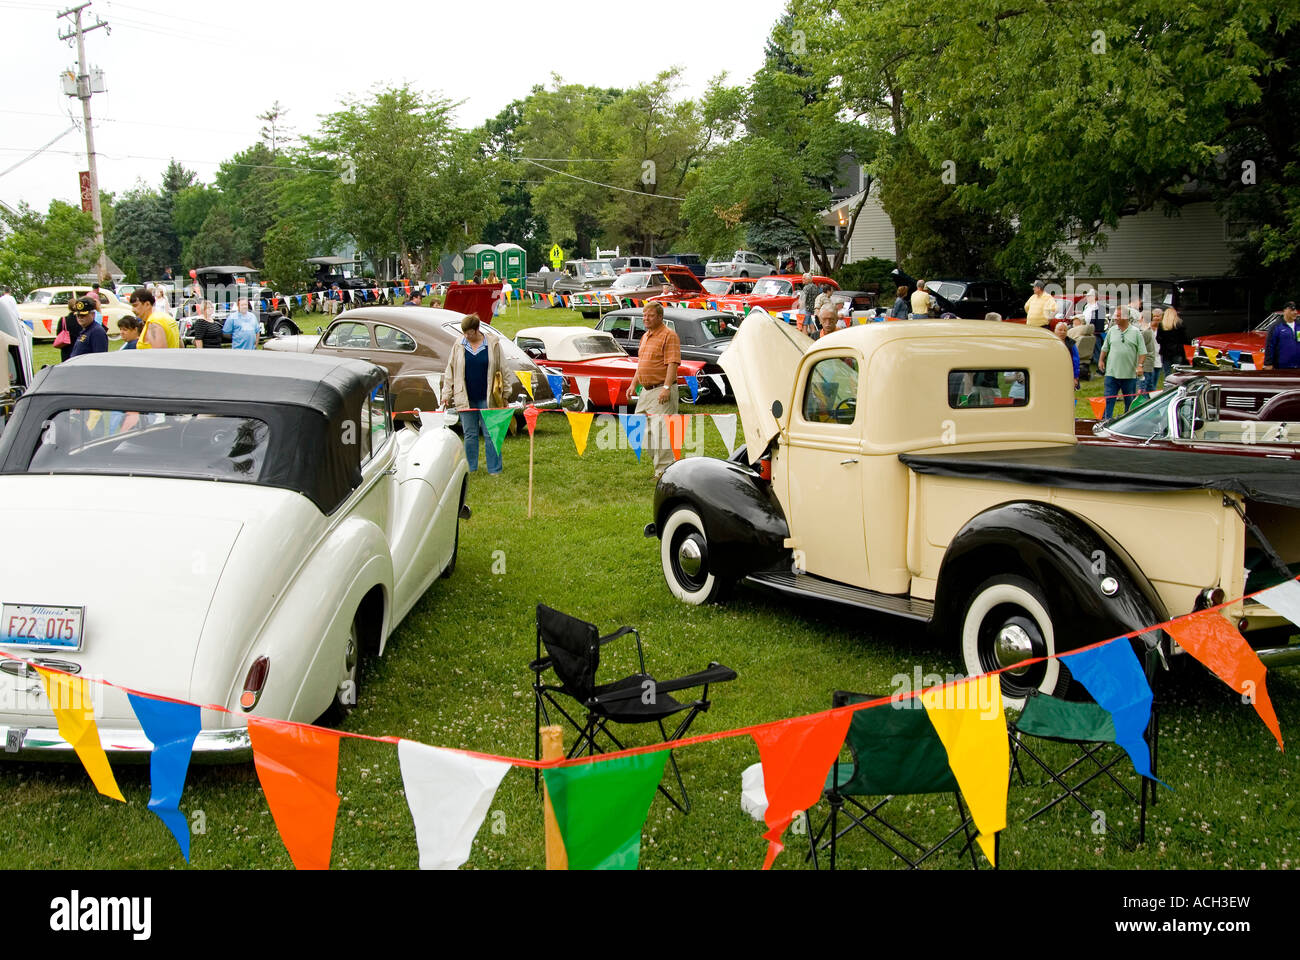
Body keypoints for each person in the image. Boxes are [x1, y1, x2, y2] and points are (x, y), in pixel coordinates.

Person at [439, 313, 504, 475]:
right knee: (470, 434)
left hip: (488, 396)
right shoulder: (459, 344)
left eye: (470, 333)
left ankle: (494, 469)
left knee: (491, 434)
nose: (467, 336)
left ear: (477, 330)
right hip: (465, 397)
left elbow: (503, 368)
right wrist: (446, 394)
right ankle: (471, 468)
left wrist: (506, 393)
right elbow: (450, 370)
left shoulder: (493, 344)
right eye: (465, 333)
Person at [624, 301, 681, 481]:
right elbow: (642, 365)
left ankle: (664, 472)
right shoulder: (645, 336)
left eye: (650, 316)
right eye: (644, 315)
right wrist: (634, 384)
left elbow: (672, 363)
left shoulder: (669, 336)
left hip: (661, 390)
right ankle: (665, 465)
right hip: (645, 391)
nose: (645, 319)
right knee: (638, 429)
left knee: (661, 431)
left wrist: (666, 387)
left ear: (660, 317)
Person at [1098, 305, 1147, 418]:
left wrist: (1140, 365)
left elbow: (1142, 352)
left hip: (1129, 375)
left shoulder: (1136, 333)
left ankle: (1127, 421)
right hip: (1111, 374)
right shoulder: (1111, 331)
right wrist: (1101, 360)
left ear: (1126, 317)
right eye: (1115, 315)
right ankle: (1106, 420)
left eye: (1118, 315)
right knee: (1109, 399)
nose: (1115, 318)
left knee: (1129, 401)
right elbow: (1105, 348)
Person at [1155, 306, 1190, 384]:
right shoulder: (1180, 324)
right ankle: (1178, 386)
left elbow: (1158, 339)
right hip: (1177, 351)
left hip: (1165, 351)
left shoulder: (1162, 325)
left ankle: (1167, 386)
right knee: (1179, 372)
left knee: (1167, 372)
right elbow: (1185, 339)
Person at [1263, 301, 1300, 370]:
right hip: (1282, 367)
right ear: (1285, 311)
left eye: (1295, 310)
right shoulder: (1275, 326)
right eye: (1292, 310)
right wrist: (1268, 363)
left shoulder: (1299, 325)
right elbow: (1269, 345)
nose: (1295, 312)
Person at [1138, 314, 1159, 393]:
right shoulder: (1148, 330)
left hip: (1145, 362)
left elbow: (1140, 347)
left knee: (1143, 387)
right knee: (1150, 386)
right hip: (1148, 361)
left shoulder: (1145, 332)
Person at [1055, 321, 1080, 389]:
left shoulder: (1071, 344)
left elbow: (1076, 361)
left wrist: (1075, 377)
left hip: (1068, 373)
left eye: (1065, 330)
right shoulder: (1050, 342)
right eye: (1060, 330)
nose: (1062, 332)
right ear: (1055, 330)